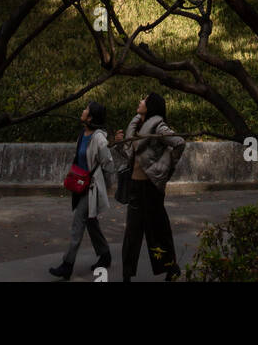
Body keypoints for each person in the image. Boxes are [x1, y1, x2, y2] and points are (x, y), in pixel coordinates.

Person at [115, 93, 185, 282]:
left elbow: (179, 143)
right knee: (132, 232)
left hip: (151, 187)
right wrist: (121, 142)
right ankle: (127, 274)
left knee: (158, 230)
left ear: (151, 106)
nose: (140, 101)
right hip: (136, 185)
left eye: (144, 100)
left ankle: (171, 268)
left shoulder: (158, 127)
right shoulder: (138, 127)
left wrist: (163, 168)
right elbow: (132, 156)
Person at [50, 101, 116, 280]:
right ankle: (105, 254)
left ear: (91, 116)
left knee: (78, 223)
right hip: (79, 185)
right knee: (90, 222)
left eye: (86, 109)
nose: (83, 110)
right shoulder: (83, 134)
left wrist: (98, 172)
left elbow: (109, 165)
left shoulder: (99, 138)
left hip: (90, 188)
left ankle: (67, 264)